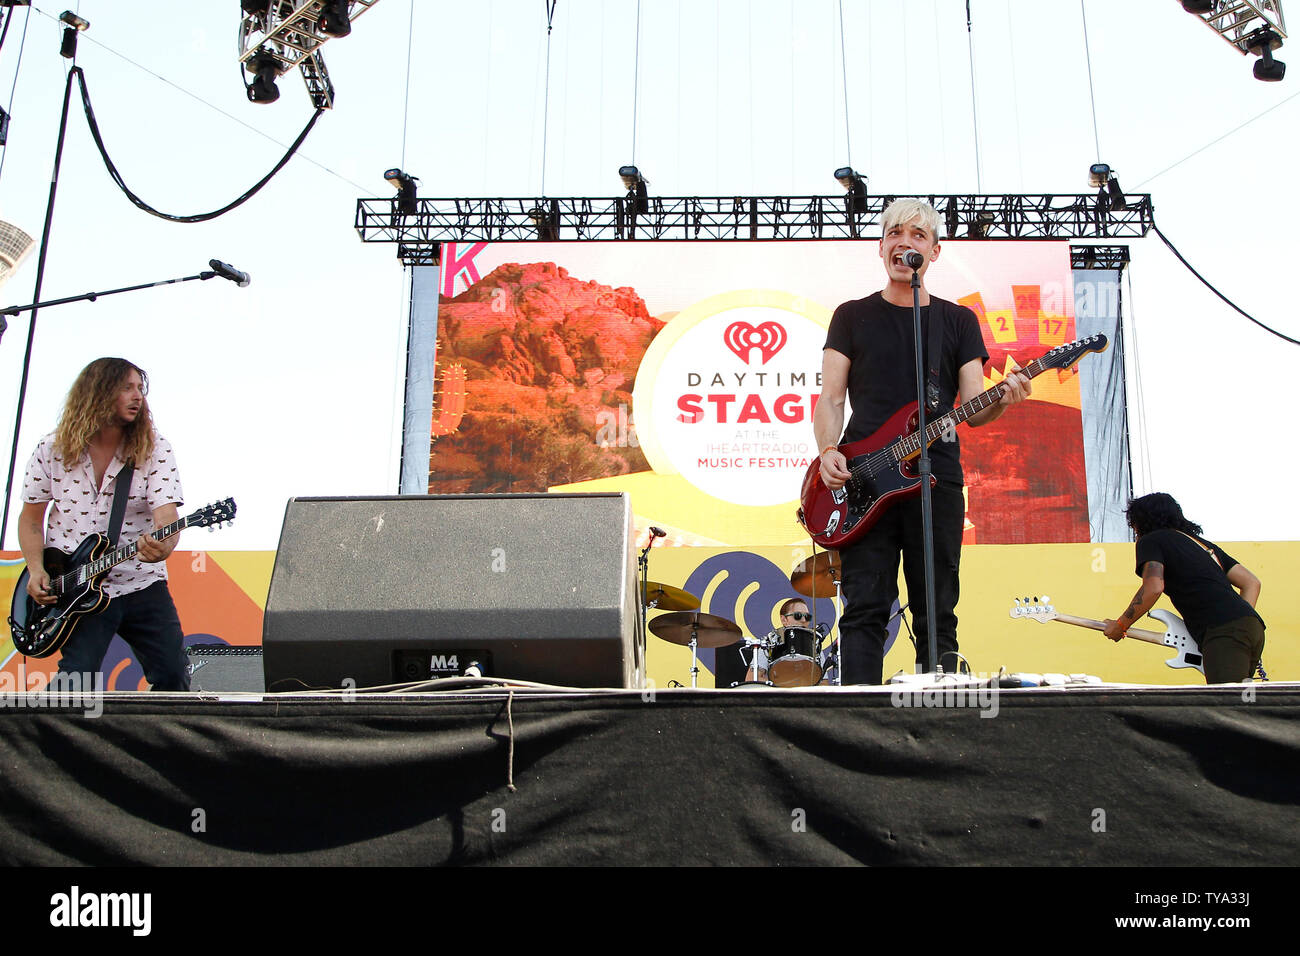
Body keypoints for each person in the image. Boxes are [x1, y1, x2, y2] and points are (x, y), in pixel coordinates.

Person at [814, 198, 1032, 684]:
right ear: (881, 247)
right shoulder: (851, 316)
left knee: (936, 608)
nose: (904, 243)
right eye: (895, 233)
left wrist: (1005, 398)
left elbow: (976, 407)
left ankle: (935, 716)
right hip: (863, 481)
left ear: (933, 252)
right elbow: (830, 399)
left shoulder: (955, 321)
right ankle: (858, 716)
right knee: (864, 605)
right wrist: (828, 450)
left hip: (936, 481)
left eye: (917, 236)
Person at [17, 357, 190, 690]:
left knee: (173, 676)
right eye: (126, 388)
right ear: (96, 393)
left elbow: (166, 516)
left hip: (141, 583)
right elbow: (31, 520)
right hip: (75, 587)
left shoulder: (155, 449)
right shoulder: (50, 449)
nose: (137, 396)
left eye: (140, 388)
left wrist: (163, 545)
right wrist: (36, 569)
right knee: (75, 683)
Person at [1103, 493, 1264, 684]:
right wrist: (1238, 621)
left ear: (1140, 520)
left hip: (1224, 630)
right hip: (1252, 626)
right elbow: (1251, 582)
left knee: (1227, 704)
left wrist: (1121, 625)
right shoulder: (1201, 545)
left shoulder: (1151, 541)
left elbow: (1153, 587)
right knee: (1244, 699)